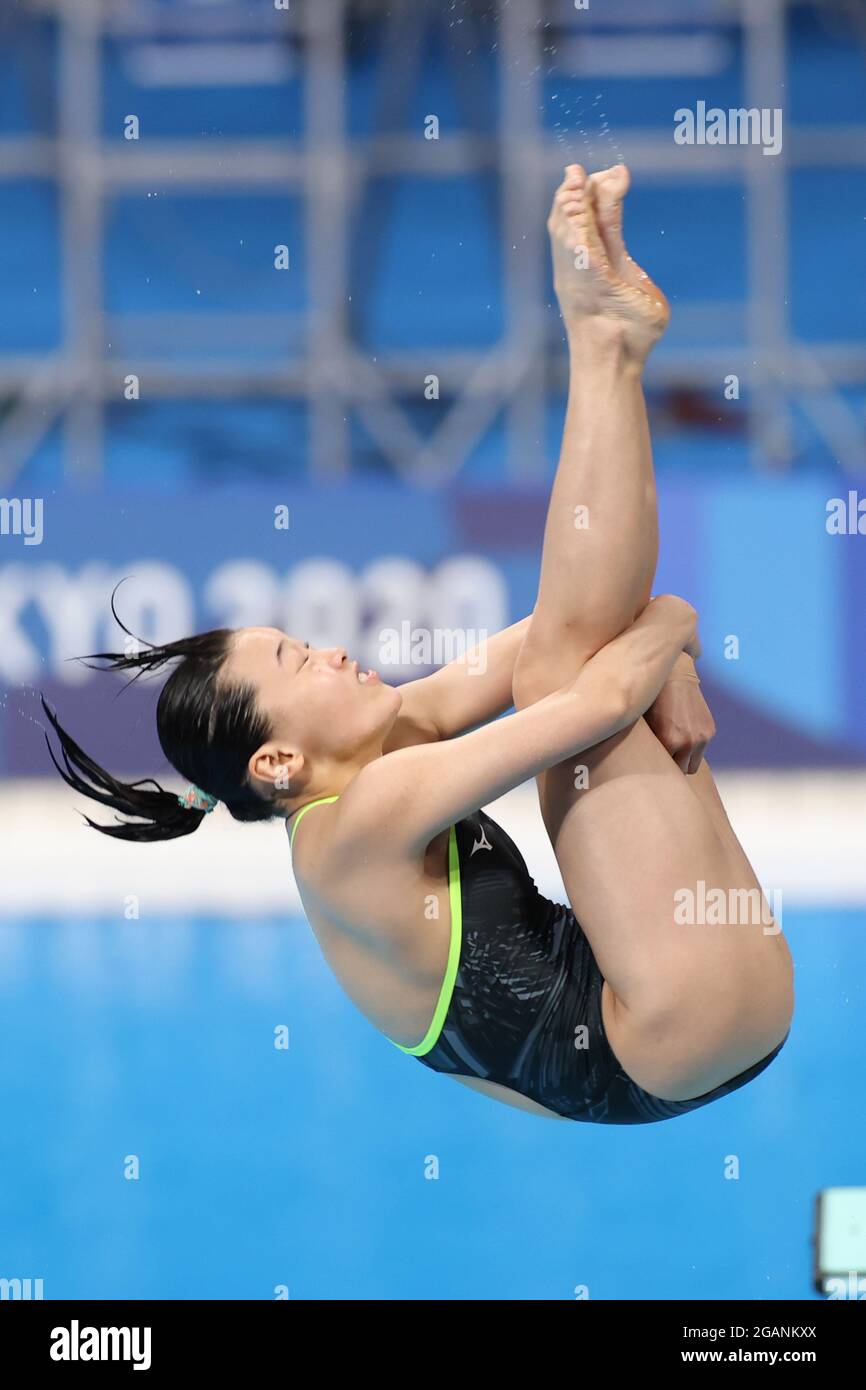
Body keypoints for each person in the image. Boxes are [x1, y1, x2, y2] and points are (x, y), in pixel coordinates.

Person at [43, 164, 793, 1124]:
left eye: (303, 639)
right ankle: (600, 344)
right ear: (278, 758)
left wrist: (667, 643)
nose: (329, 652)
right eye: (296, 663)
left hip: (702, 1025)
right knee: (572, 674)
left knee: (575, 643)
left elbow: (572, 620)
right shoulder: (364, 817)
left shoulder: (375, 763)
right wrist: (677, 627)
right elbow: (591, 702)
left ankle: (609, 347)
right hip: (673, 1022)